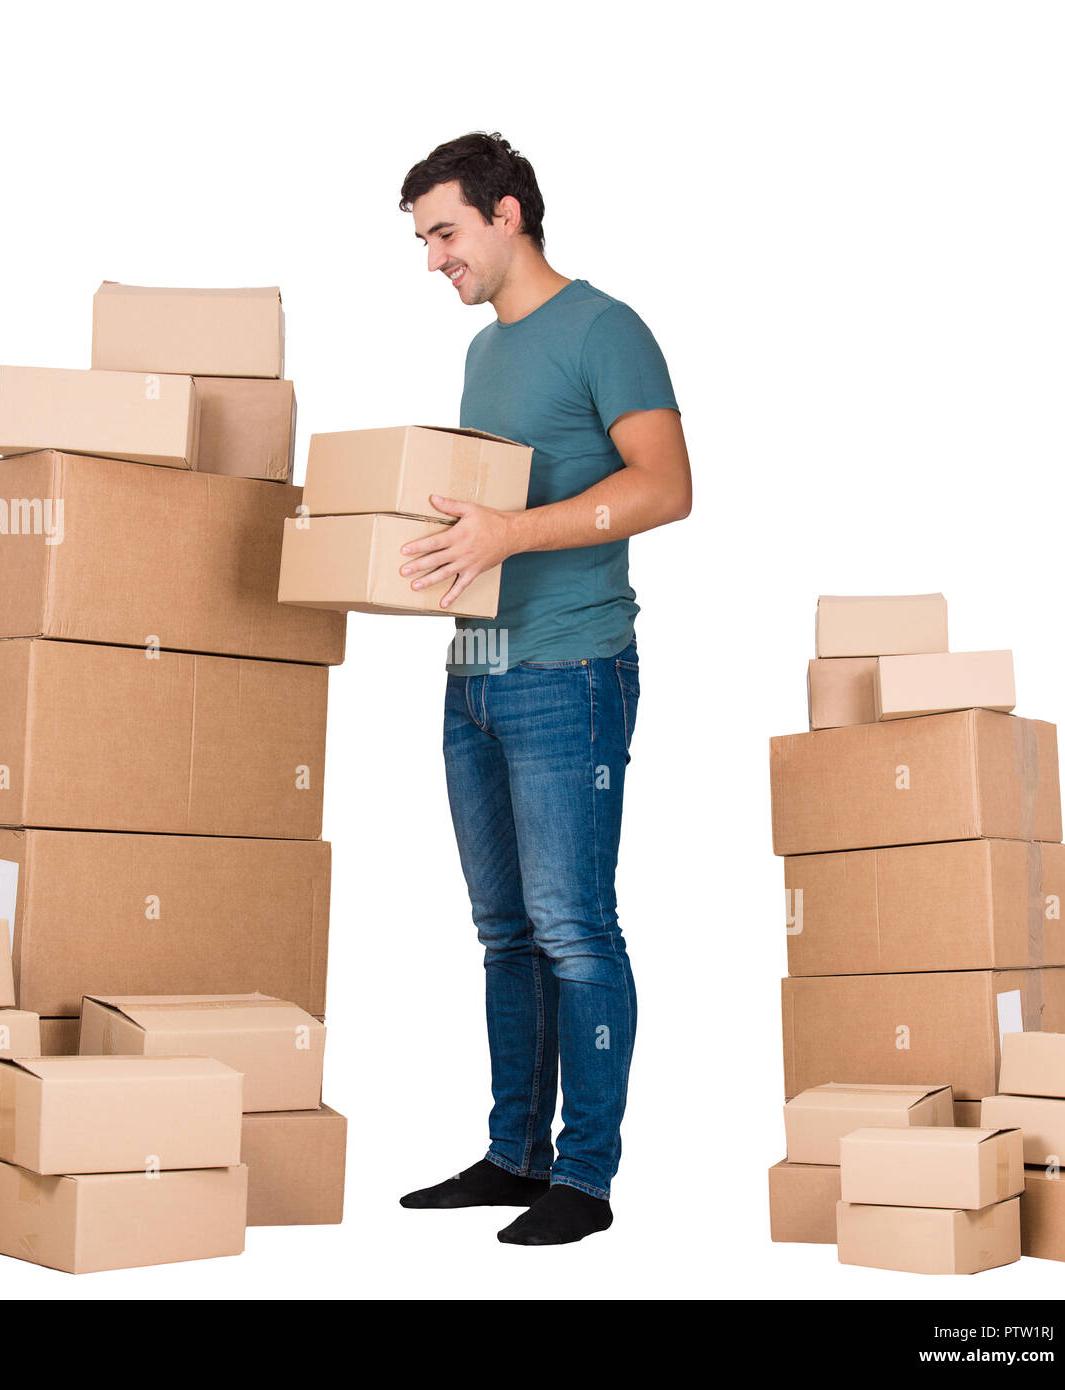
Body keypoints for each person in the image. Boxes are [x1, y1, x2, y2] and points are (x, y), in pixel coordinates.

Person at [395, 132, 692, 1245]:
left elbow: (665, 487)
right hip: (474, 669)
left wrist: (512, 533)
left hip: (570, 667)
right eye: (424, 238)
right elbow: (482, 512)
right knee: (503, 930)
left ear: (507, 214)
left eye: (444, 233)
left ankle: (586, 1175)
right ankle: (512, 1153)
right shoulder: (485, 354)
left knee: (574, 927)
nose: (432, 260)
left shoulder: (605, 329)